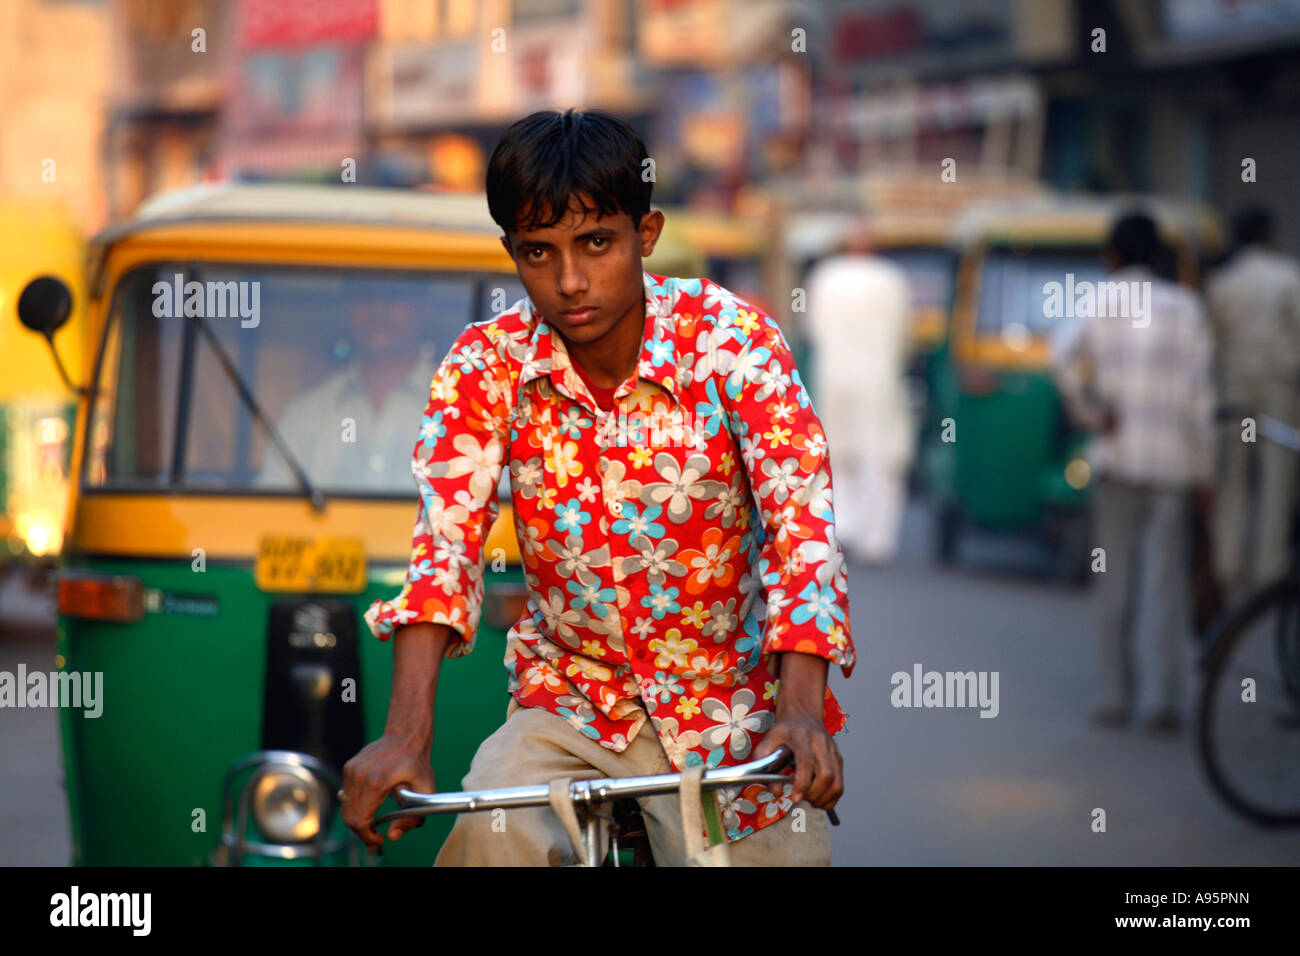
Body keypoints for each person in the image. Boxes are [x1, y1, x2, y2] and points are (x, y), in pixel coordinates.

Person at [339, 108, 856, 865]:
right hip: (566, 706)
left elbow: (800, 524)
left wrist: (801, 712)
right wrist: (404, 737)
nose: (570, 281)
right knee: (485, 843)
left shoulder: (734, 342)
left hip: (734, 713)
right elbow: (444, 550)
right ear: (511, 252)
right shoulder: (487, 365)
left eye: (596, 244)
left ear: (644, 237)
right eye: (538, 253)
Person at [1052, 210, 1216, 735]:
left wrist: (1093, 413)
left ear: (1111, 256)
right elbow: (1201, 397)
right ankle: (1160, 701)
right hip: (1173, 463)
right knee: (1164, 582)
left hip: (1116, 458)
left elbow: (1061, 360)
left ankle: (1115, 695)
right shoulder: (1186, 308)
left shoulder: (1096, 302)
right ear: (1159, 255)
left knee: (1113, 580)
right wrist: (1207, 468)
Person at [256, 280, 439, 491]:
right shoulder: (308, 412)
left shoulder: (458, 409)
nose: (378, 310)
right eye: (366, 295)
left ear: (425, 309)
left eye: (394, 295)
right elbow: (272, 507)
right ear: (347, 308)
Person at [804, 220, 914, 565]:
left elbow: (812, 329)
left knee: (838, 453)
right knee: (883, 455)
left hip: (834, 374)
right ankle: (877, 537)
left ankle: (845, 527)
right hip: (879, 376)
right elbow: (904, 335)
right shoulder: (892, 279)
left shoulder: (825, 277)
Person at [1206, 205, 1300, 596]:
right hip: (1280, 388)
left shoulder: (1223, 283)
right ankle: (1269, 572)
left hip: (1235, 389)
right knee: (1278, 479)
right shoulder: (1289, 277)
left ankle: (1226, 564)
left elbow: (1214, 343)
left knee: (1234, 478)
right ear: (1268, 234)